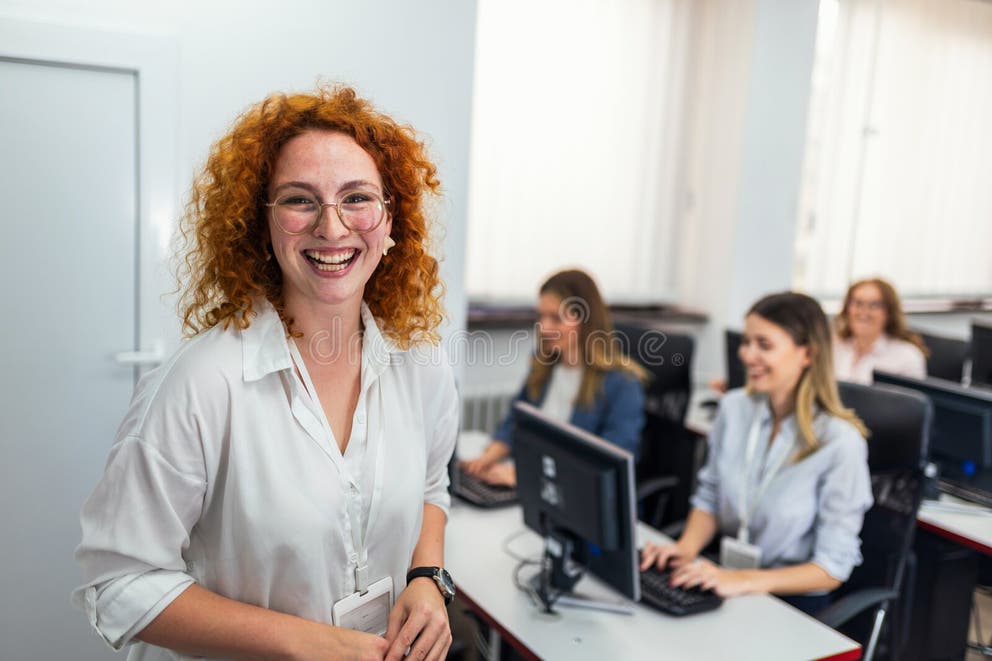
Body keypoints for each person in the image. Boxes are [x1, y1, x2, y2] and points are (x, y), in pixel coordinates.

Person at [72, 86, 459, 661]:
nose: (332, 228)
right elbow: (117, 582)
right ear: (263, 224)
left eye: (357, 198)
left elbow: (431, 485)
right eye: (300, 200)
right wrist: (307, 643)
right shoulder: (201, 383)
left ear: (388, 219)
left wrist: (428, 575)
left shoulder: (420, 363)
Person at [641, 292, 873, 615]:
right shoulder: (734, 408)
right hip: (727, 582)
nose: (748, 355)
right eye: (746, 341)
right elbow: (710, 497)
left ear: (808, 354)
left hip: (792, 605)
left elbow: (832, 567)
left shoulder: (840, 443)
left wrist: (744, 580)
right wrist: (685, 548)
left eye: (764, 345)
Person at [461, 269, 646, 486]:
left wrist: (524, 478)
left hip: (576, 499)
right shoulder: (545, 364)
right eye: (541, 316)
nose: (544, 327)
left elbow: (607, 469)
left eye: (556, 318)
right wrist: (490, 455)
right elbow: (516, 419)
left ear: (586, 322)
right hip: (537, 487)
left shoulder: (622, 385)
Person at [833, 277, 927, 384]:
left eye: (874, 305)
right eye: (857, 303)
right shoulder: (835, 347)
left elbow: (909, 400)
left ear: (889, 312)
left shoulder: (907, 357)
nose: (864, 311)